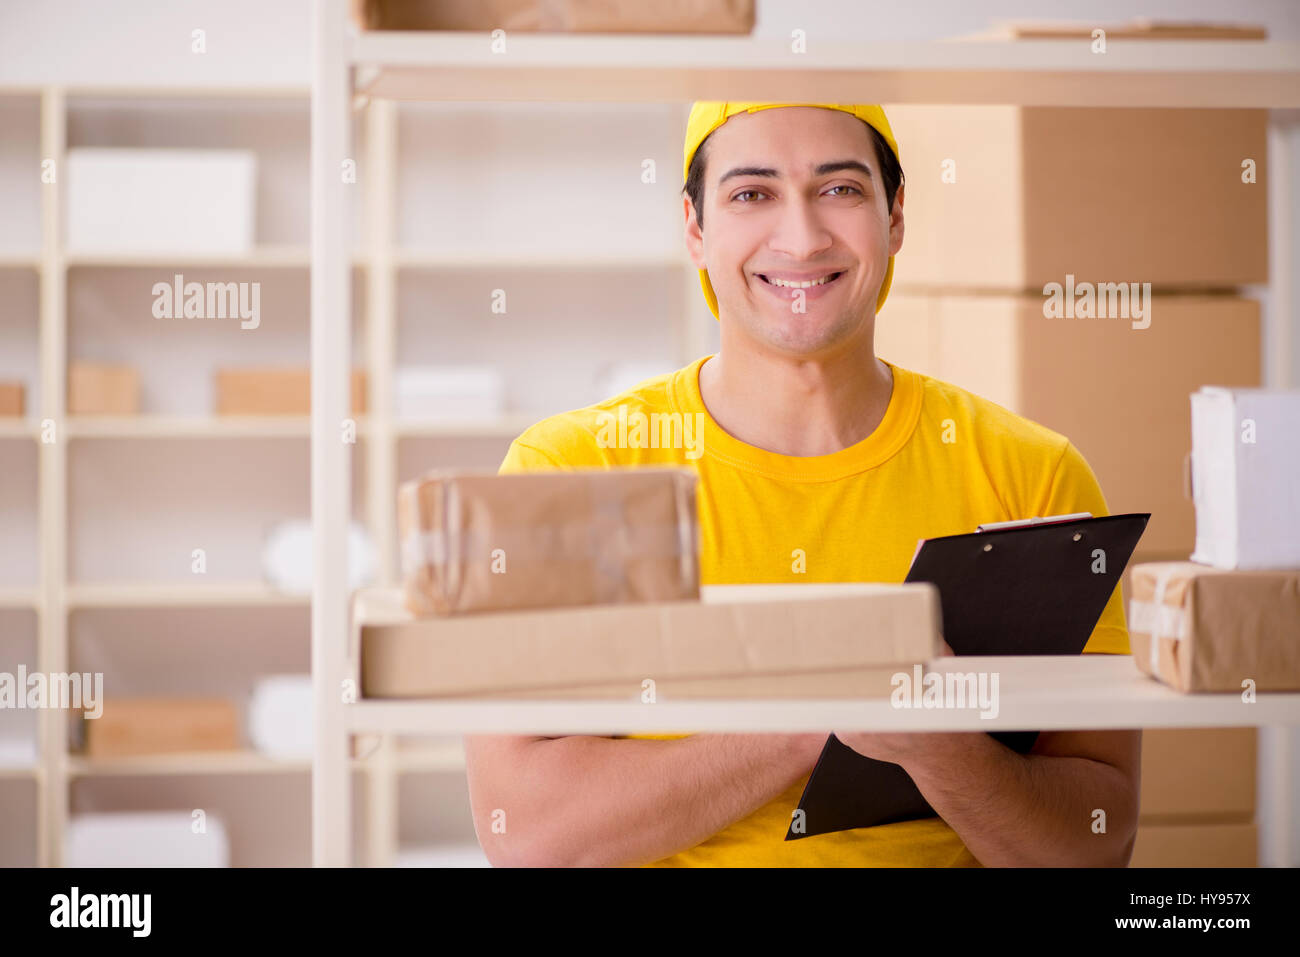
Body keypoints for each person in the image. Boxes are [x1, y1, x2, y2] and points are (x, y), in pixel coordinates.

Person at [464, 102, 1140, 867]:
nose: (802, 236)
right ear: (694, 226)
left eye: (840, 189)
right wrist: (820, 712)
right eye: (752, 194)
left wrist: (946, 750)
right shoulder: (571, 471)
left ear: (895, 219)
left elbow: (1096, 846)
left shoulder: (1033, 475)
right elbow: (524, 832)